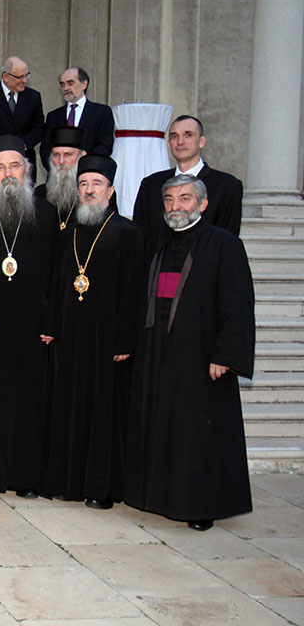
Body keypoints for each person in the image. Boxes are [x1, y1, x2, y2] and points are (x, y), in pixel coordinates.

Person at [125, 174, 255, 532]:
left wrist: (225, 354)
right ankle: (153, 496)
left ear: (202, 203)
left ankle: (199, 505)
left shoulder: (224, 245)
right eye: (169, 200)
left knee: (195, 432)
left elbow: (237, 304)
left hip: (200, 356)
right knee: (159, 424)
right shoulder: (157, 243)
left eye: (184, 199)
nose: (176, 206)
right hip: (157, 352)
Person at [40, 155, 143, 509]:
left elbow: (134, 292)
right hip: (70, 337)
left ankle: (102, 487)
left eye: (96, 185)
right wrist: (51, 325)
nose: (88, 191)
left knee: (103, 413)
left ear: (111, 191)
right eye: (83, 185)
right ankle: (67, 481)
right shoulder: (69, 232)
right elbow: (57, 282)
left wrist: (124, 339)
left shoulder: (128, 232)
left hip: (106, 340)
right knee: (68, 406)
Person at [0, 136, 56, 499]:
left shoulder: (46, 214)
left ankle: (25, 477)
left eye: (14, 166)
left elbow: (58, 271)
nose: (8, 174)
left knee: (27, 401)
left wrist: (52, 319)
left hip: (32, 325)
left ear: (27, 170)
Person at [131, 115, 243, 242]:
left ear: (202, 141)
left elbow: (228, 240)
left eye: (188, 135)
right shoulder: (150, 184)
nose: (180, 142)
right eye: (174, 136)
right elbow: (140, 236)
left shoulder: (227, 186)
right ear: (168, 144)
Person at [39, 67, 115, 169]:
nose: (65, 88)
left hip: (89, 174)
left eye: (70, 83)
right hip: (58, 175)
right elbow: (45, 149)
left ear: (84, 84)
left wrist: (86, 165)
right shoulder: (53, 116)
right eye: (62, 85)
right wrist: (55, 169)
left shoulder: (102, 112)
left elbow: (105, 145)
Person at [37, 125, 87, 232]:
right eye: (56, 155)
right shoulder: (40, 194)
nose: (61, 161)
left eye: (68, 154)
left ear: (82, 157)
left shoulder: (92, 195)